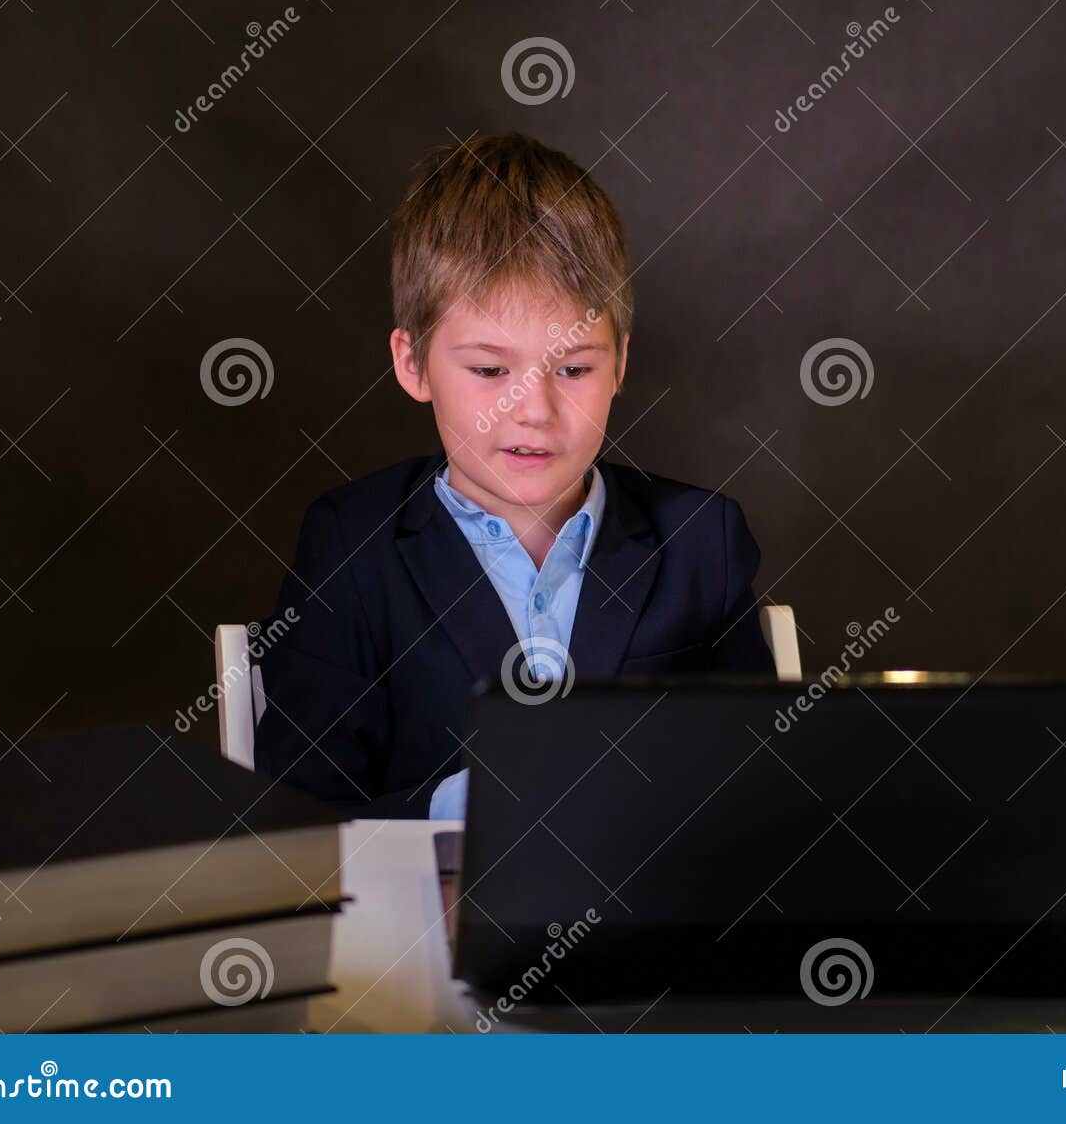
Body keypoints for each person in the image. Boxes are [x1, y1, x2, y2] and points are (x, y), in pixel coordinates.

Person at [253, 131, 775, 818]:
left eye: (574, 368)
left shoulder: (702, 540)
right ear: (412, 364)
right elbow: (298, 826)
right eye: (491, 370)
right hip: (426, 925)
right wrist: (466, 811)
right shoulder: (352, 547)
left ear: (620, 361)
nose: (533, 410)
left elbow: (765, 795)